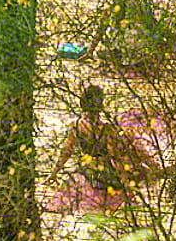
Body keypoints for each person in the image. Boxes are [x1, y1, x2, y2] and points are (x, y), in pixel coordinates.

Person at [44, 84, 154, 212]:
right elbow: (115, 158)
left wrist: (53, 173)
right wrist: (126, 185)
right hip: (105, 174)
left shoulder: (76, 126)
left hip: (85, 170)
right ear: (100, 107)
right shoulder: (107, 129)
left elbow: (67, 152)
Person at [83, 0, 171, 74]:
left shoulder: (115, 7)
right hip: (137, 56)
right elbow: (155, 28)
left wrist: (90, 51)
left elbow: (101, 29)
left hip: (124, 56)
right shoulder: (140, 6)